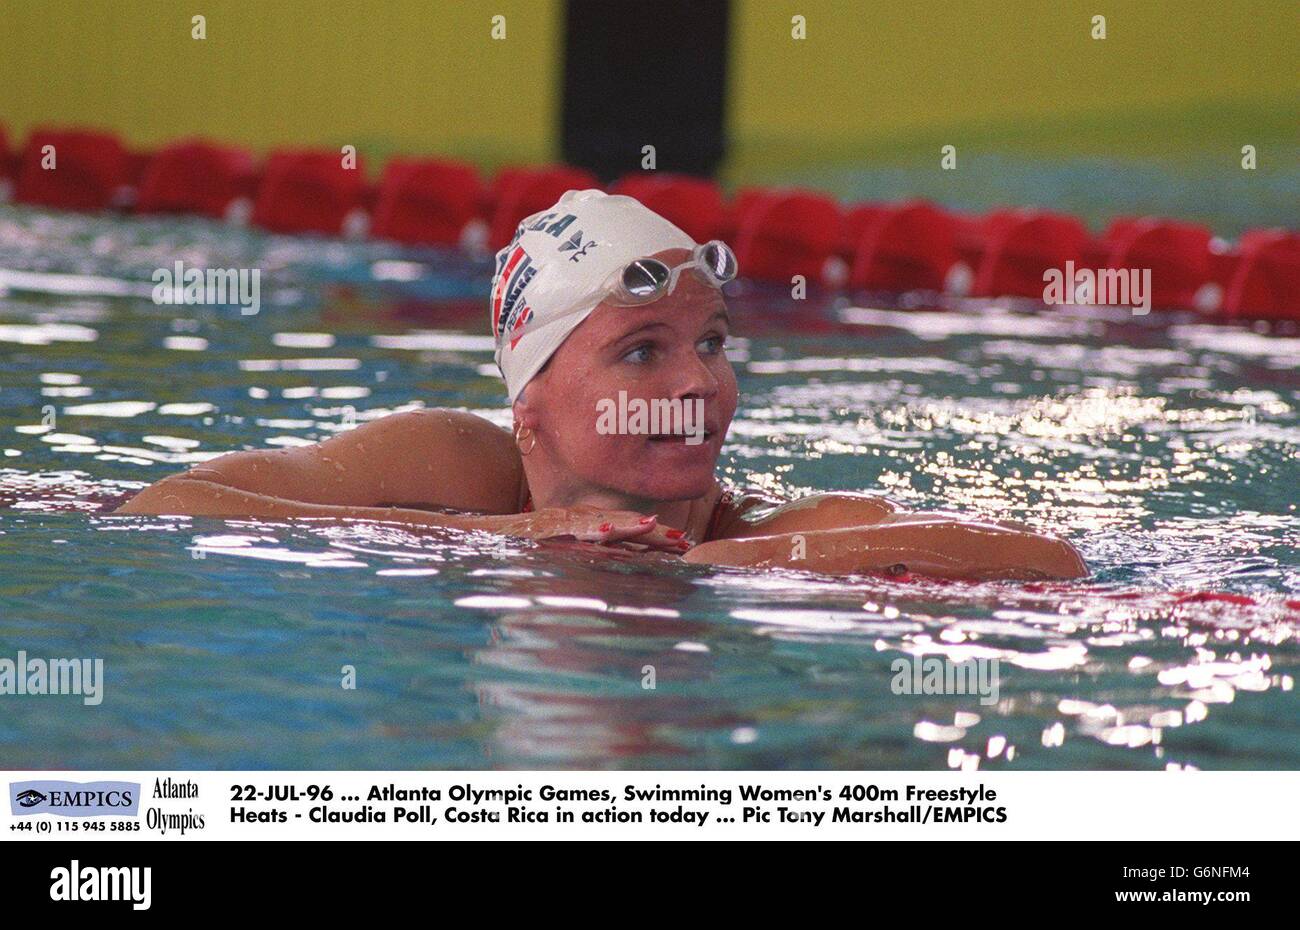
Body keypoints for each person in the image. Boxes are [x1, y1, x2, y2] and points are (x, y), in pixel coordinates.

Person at [117, 189, 1086, 580]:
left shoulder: (762, 534)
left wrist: (707, 570)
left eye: (712, 342)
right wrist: (510, 536)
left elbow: (1048, 561)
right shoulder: (455, 463)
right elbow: (166, 504)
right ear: (528, 397)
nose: (698, 382)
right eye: (642, 351)